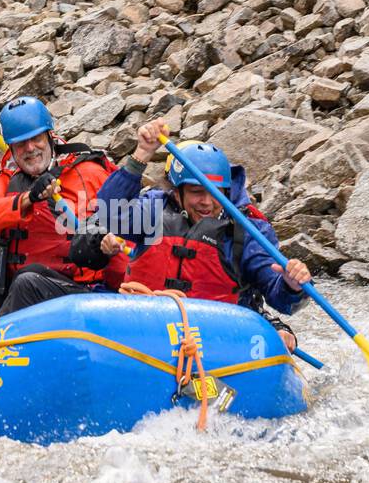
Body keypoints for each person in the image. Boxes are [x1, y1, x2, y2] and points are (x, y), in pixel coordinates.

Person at [96, 120, 310, 351]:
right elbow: (109, 213)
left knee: (279, 337)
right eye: (197, 193)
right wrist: (142, 155)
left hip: (217, 338)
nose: (207, 203)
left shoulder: (247, 230)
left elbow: (281, 299)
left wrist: (291, 285)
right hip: (147, 326)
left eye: (215, 193)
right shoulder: (153, 211)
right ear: (177, 194)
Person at [0, 96, 126, 315]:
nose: (30, 148)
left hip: (75, 294)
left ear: (50, 137)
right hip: (14, 288)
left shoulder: (89, 173)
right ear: (11, 149)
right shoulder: (8, 176)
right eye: (21, 144)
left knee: (27, 280)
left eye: (36, 139)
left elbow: (127, 227)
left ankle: (0, 343)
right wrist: (28, 199)